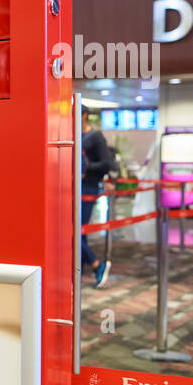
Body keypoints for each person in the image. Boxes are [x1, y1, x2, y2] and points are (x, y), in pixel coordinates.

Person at [81, 108, 113, 288]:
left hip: (88, 187)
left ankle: (96, 264)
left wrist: (85, 168)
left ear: (83, 115)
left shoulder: (95, 136)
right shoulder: (72, 134)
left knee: (74, 230)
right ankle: (82, 267)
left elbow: (106, 163)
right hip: (71, 187)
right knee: (78, 231)